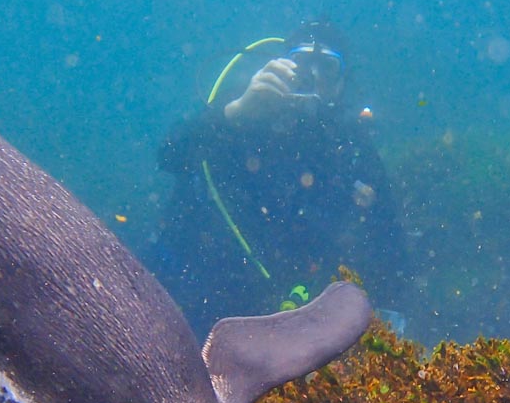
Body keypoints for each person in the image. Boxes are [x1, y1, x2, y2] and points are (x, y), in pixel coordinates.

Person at [146, 20, 408, 335]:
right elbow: (170, 155)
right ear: (281, 66)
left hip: (301, 310)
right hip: (206, 290)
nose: (314, 77)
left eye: (327, 67)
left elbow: (389, 234)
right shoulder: (246, 107)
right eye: (302, 63)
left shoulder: (351, 142)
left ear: (342, 81)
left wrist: (391, 315)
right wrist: (236, 112)